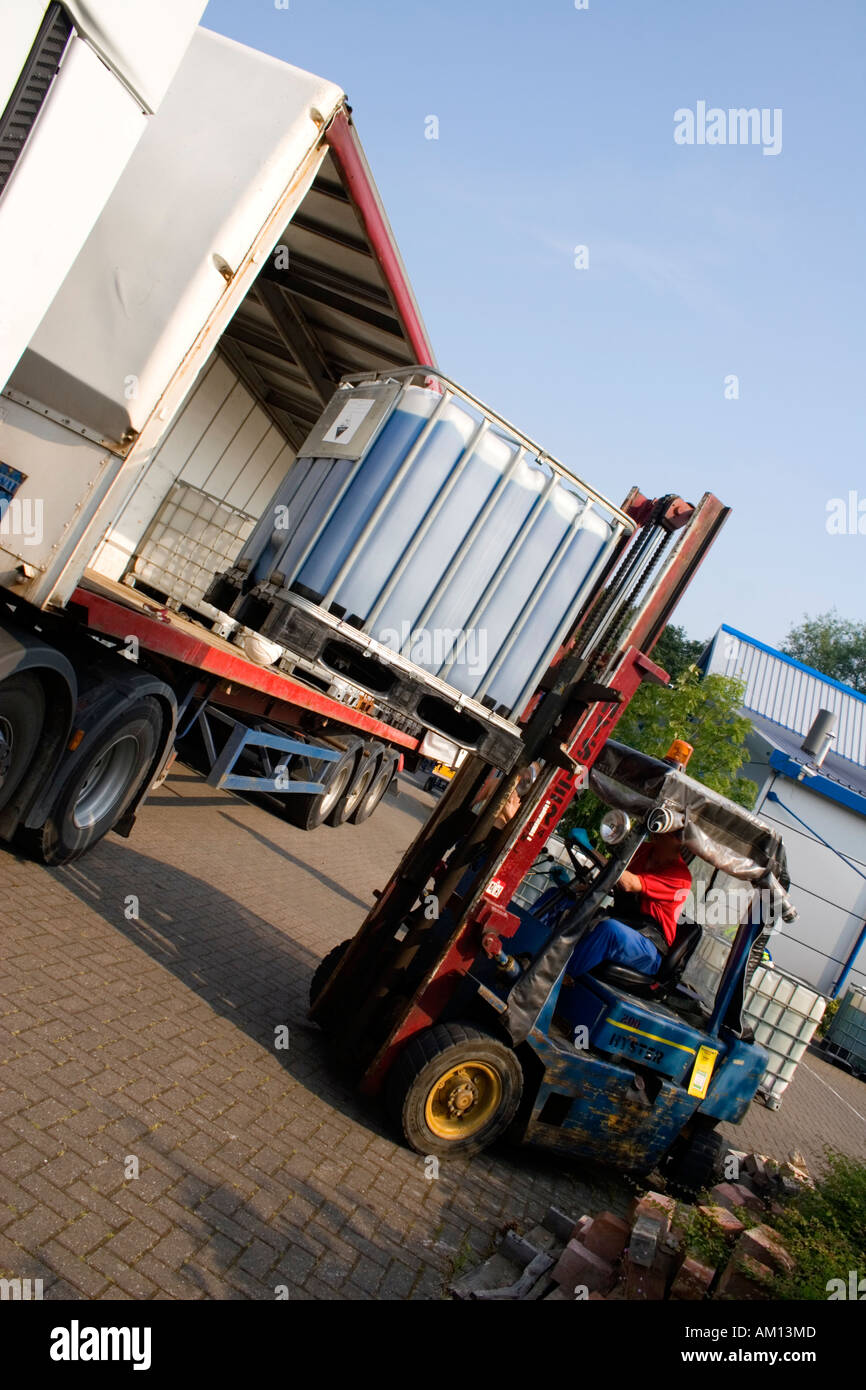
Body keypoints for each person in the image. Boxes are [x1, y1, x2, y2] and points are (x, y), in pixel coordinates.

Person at [564, 831, 692, 981]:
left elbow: (628, 883)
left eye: (670, 831)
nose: (658, 832)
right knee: (565, 903)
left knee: (610, 931)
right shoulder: (642, 849)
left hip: (648, 946)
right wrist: (583, 888)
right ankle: (533, 953)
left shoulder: (680, 877)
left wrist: (589, 848)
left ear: (679, 840)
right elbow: (613, 881)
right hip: (624, 921)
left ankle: (556, 979)